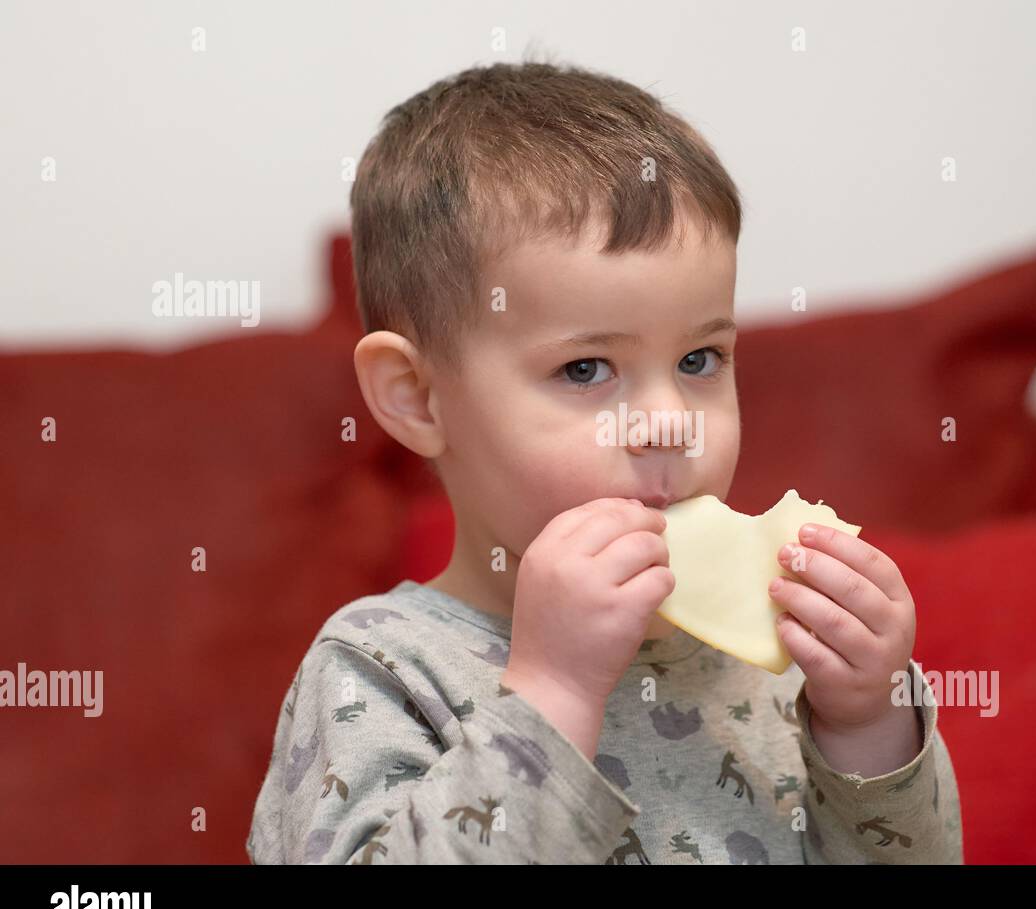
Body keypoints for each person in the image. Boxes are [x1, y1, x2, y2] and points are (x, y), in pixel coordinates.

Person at [247, 59, 962, 864]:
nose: (667, 423)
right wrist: (553, 694)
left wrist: (867, 723)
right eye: (585, 369)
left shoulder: (773, 658)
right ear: (418, 397)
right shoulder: (379, 667)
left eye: (699, 359)